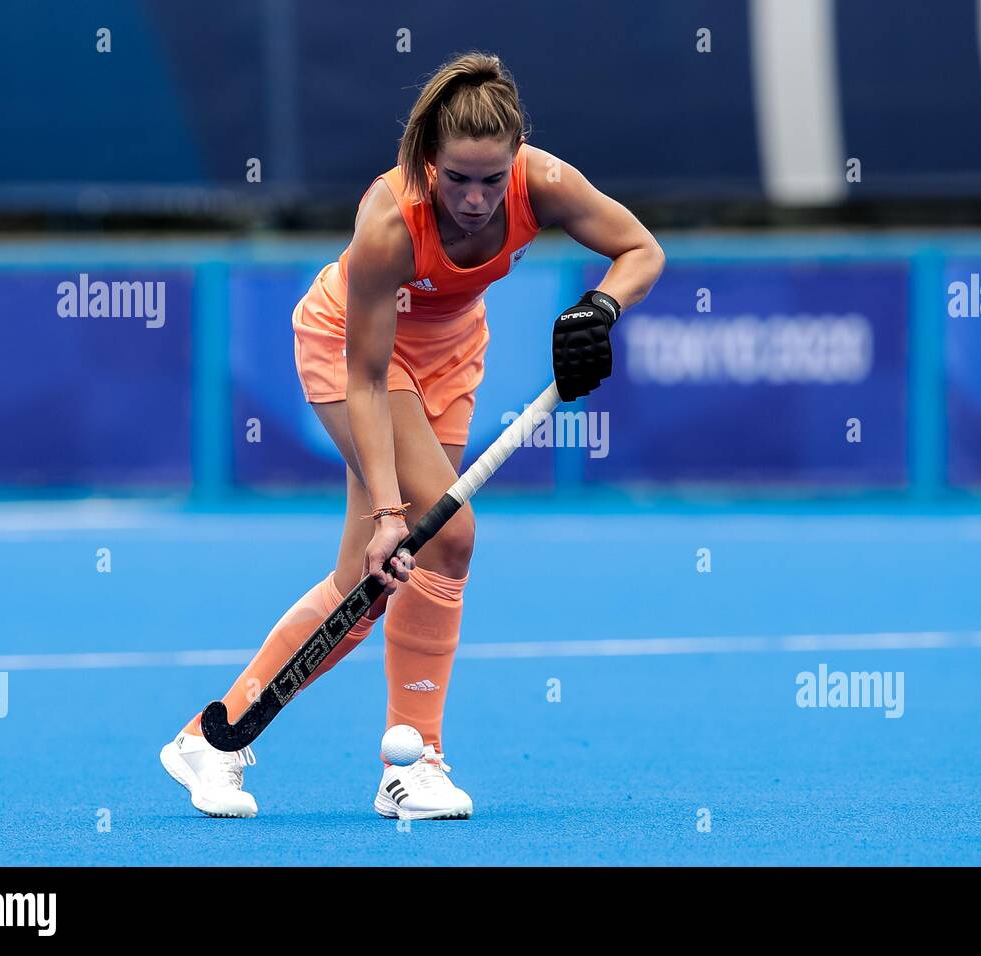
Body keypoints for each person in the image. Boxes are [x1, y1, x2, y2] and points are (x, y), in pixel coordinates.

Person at [161, 50, 665, 819]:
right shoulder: (390, 221)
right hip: (355, 353)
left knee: (364, 591)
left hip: (453, 354)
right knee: (444, 537)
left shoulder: (545, 182)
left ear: (516, 158)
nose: (474, 198)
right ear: (429, 161)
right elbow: (365, 378)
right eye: (456, 178)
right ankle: (416, 762)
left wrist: (600, 309)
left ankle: (212, 737)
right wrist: (388, 514)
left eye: (491, 180)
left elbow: (640, 251)